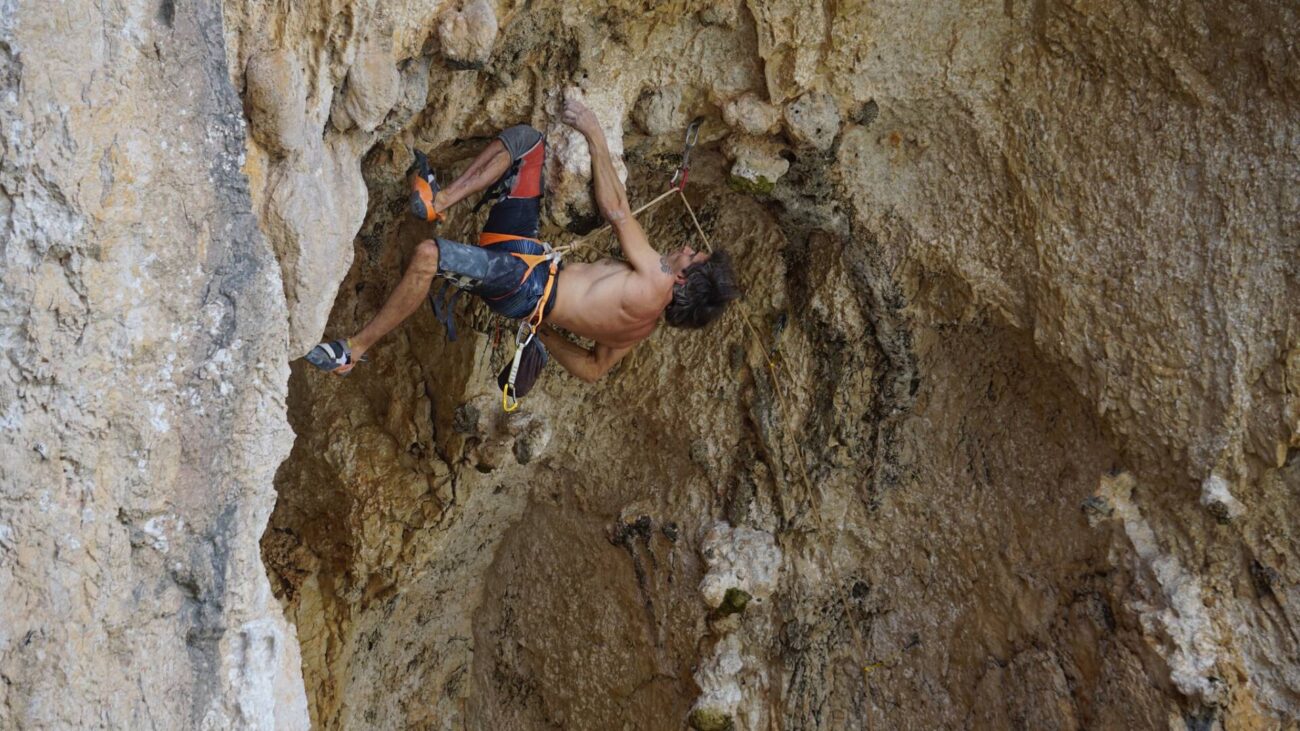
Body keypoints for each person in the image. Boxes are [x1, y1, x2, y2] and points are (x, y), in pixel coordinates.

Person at [306, 98, 739, 383]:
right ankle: (439, 200)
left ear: (684, 281)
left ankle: (353, 350)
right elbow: (592, 369)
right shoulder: (636, 332)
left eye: (691, 255)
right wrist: (543, 332)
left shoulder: (655, 276)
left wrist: (595, 135)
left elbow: (617, 210)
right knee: (527, 145)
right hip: (528, 262)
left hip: (524, 284)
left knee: (428, 255)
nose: (684, 248)